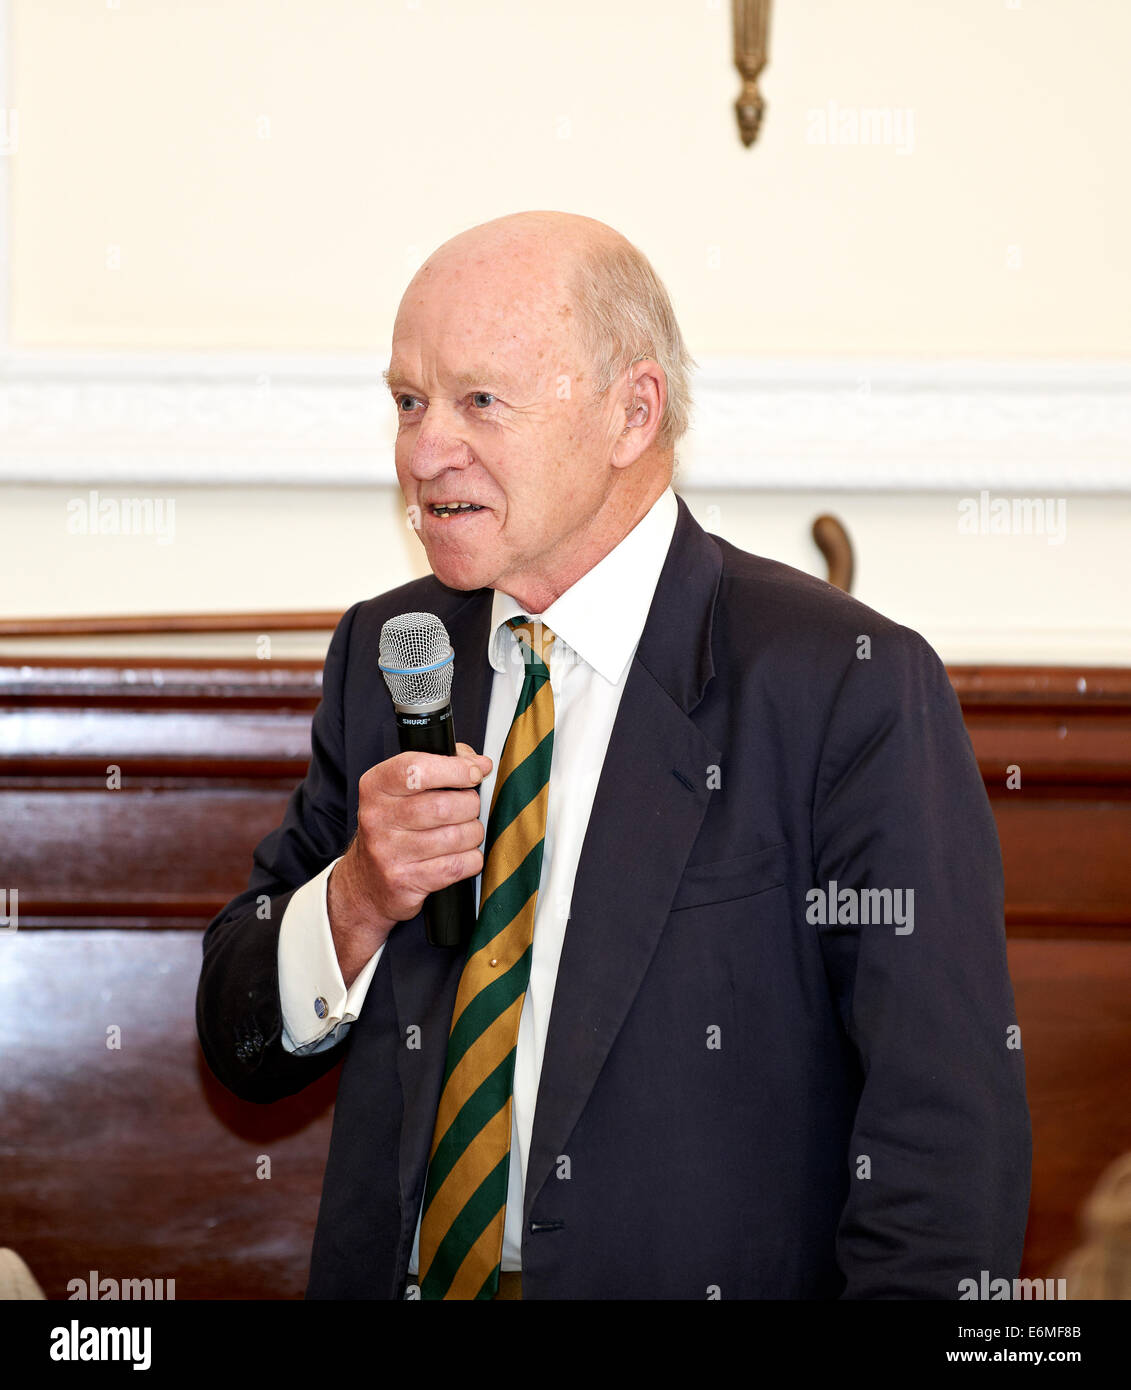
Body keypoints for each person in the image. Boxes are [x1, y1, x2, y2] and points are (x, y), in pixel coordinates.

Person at [196, 210, 1032, 1300]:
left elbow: (945, 1136)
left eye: (479, 400)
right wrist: (357, 896)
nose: (424, 448)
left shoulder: (841, 684)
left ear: (632, 413)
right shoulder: (392, 653)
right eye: (408, 401)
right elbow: (242, 1044)